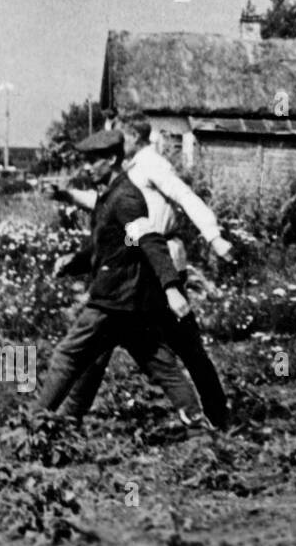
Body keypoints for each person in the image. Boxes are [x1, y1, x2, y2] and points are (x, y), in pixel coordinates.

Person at [49, 113, 232, 427]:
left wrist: (214, 236)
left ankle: (216, 415)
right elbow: (108, 207)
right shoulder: (127, 173)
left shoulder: (153, 165)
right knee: (109, 342)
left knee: (182, 347)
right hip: (134, 267)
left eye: (118, 135)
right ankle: (69, 415)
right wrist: (67, 195)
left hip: (159, 266)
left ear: (131, 136)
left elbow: (185, 198)